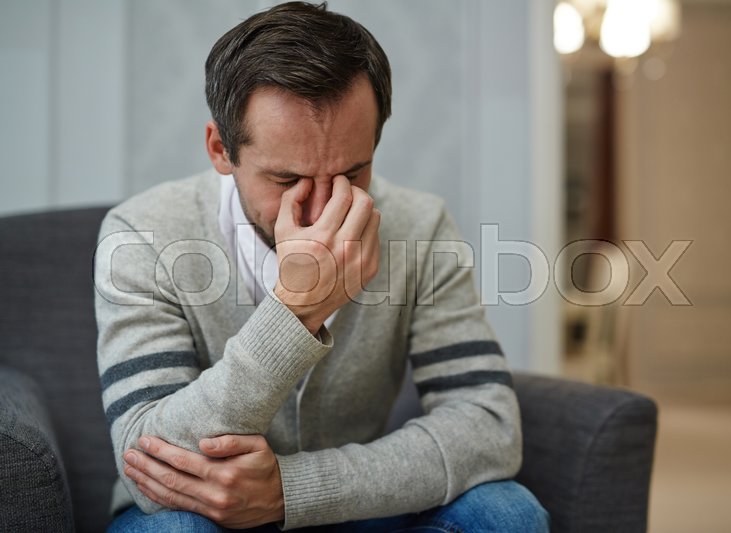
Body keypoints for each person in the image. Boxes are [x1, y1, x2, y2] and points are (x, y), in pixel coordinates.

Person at [94, 2, 549, 531]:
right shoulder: (140, 234)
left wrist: (296, 491)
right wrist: (295, 312)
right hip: (199, 514)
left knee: (506, 514)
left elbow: (490, 426)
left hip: (355, 507)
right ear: (221, 148)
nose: (322, 211)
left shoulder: (421, 226)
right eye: (286, 181)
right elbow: (149, 455)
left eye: (353, 173)